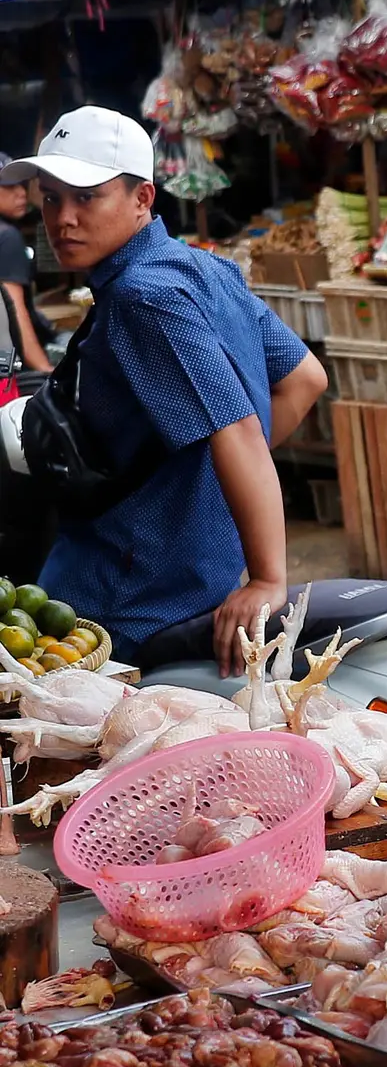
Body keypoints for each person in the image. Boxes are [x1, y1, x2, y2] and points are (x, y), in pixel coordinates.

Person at [0, 106, 327, 676]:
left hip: (125, 598)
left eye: (87, 197)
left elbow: (238, 431)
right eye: (51, 198)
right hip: (188, 576)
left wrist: (268, 579)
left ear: (143, 198)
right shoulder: (203, 268)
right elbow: (304, 381)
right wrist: (210, 487)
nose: (64, 219)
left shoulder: (141, 298)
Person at [0, 154, 51, 375]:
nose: (21, 193)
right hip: (14, 366)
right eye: (9, 187)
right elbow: (14, 310)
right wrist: (44, 370)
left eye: (22, 185)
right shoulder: (7, 237)